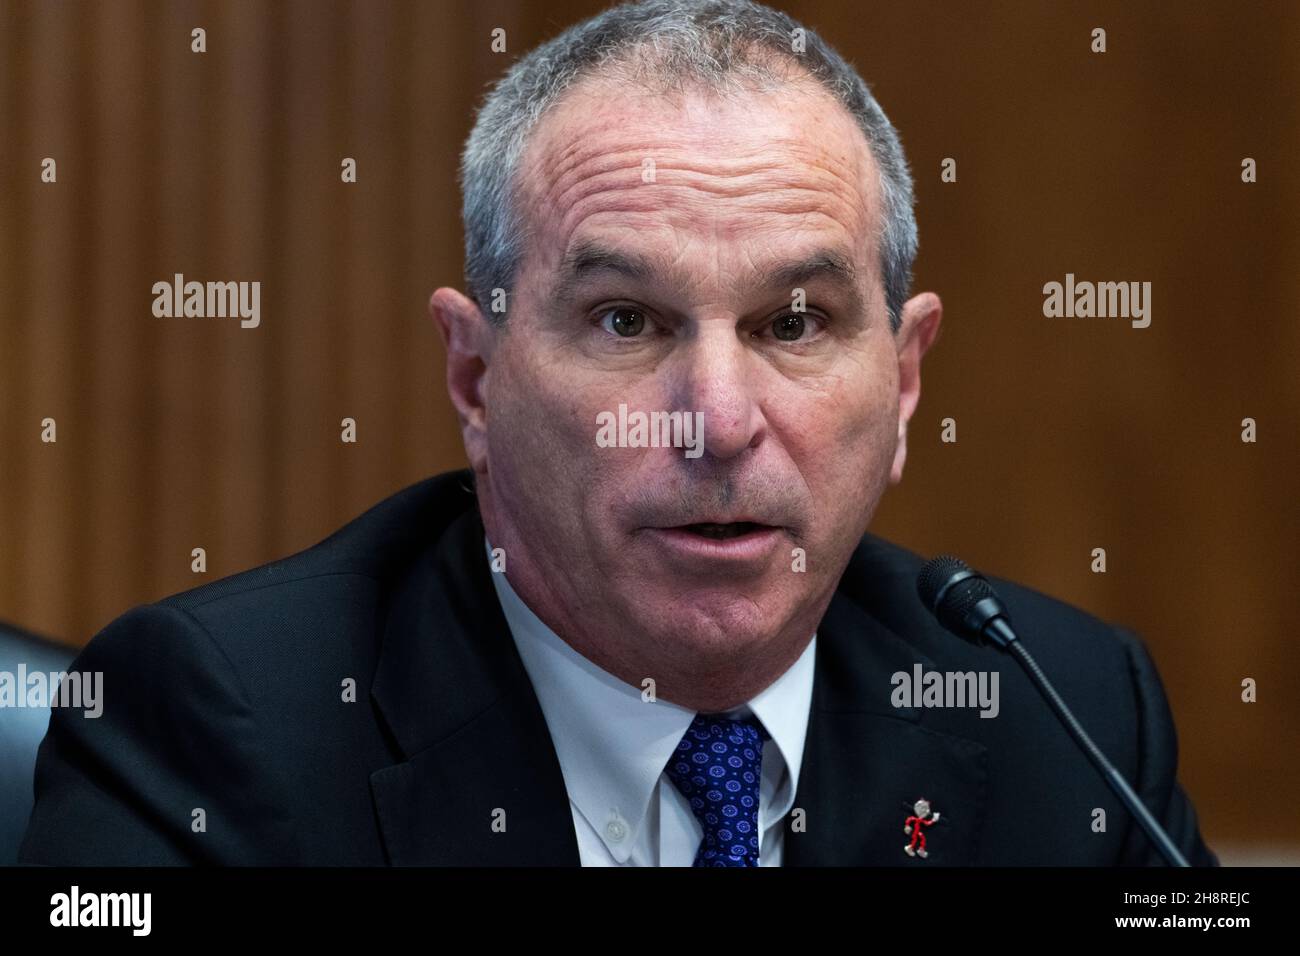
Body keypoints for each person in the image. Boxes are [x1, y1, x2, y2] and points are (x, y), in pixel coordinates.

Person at [20, 0, 1216, 866]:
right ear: (477, 377)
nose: (719, 419)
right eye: (626, 320)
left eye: (794, 322)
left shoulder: (1062, 713)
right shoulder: (219, 733)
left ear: (901, 383)